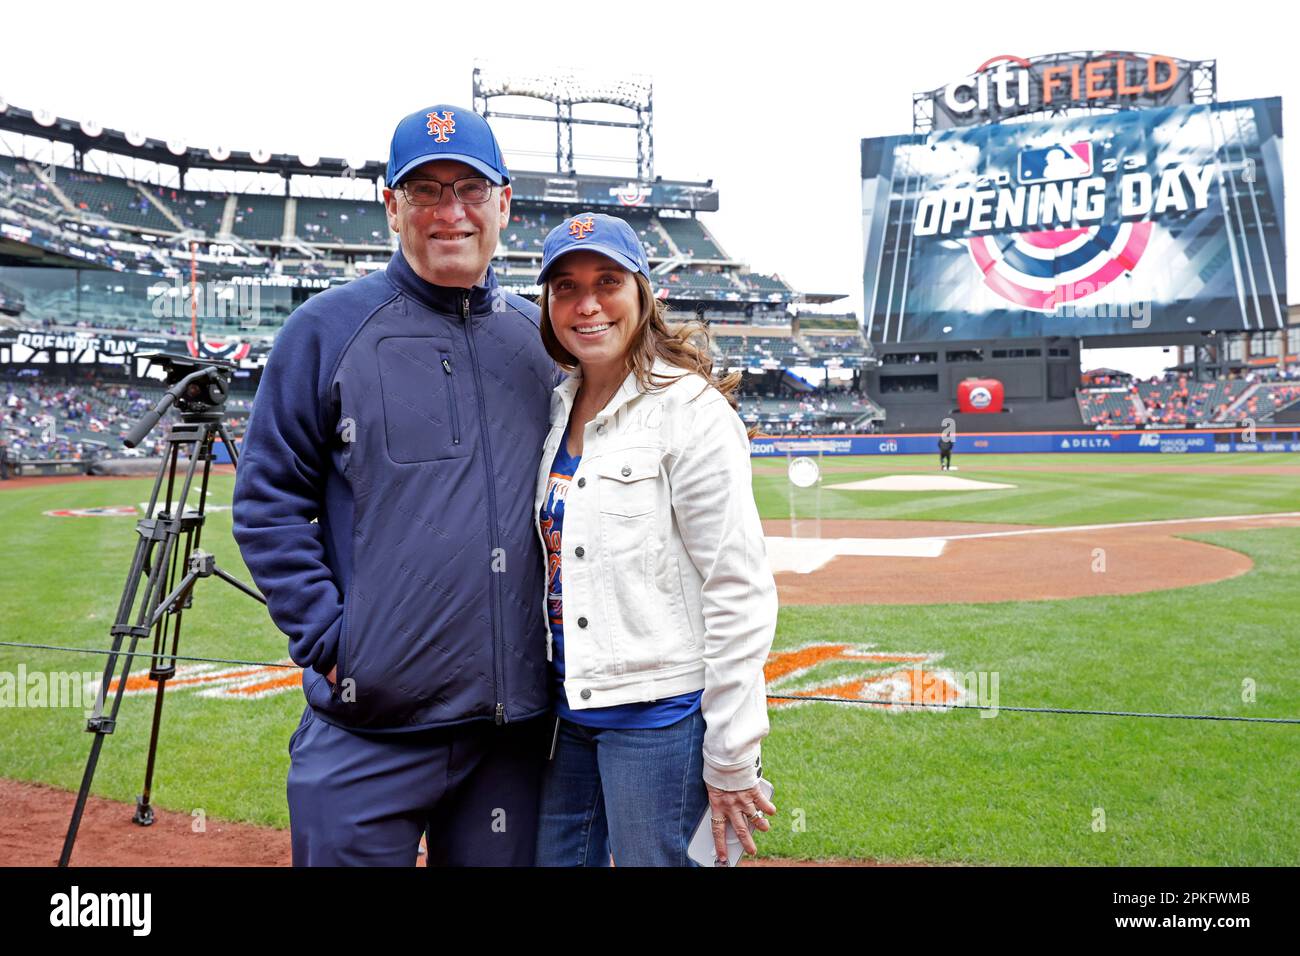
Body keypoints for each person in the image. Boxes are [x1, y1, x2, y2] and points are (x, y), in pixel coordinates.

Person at [232, 104, 559, 866]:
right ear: (392, 207)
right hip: (366, 729)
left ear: (504, 202)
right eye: (424, 192)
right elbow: (267, 502)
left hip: (507, 739)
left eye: (471, 190)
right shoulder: (325, 330)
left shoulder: (540, 342)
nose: (450, 213)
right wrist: (333, 641)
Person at [530, 212, 778, 866]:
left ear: (643, 292)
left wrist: (731, 752)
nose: (586, 304)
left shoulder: (690, 410)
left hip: (657, 717)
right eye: (565, 287)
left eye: (607, 281)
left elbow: (739, 587)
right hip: (563, 710)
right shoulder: (555, 407)